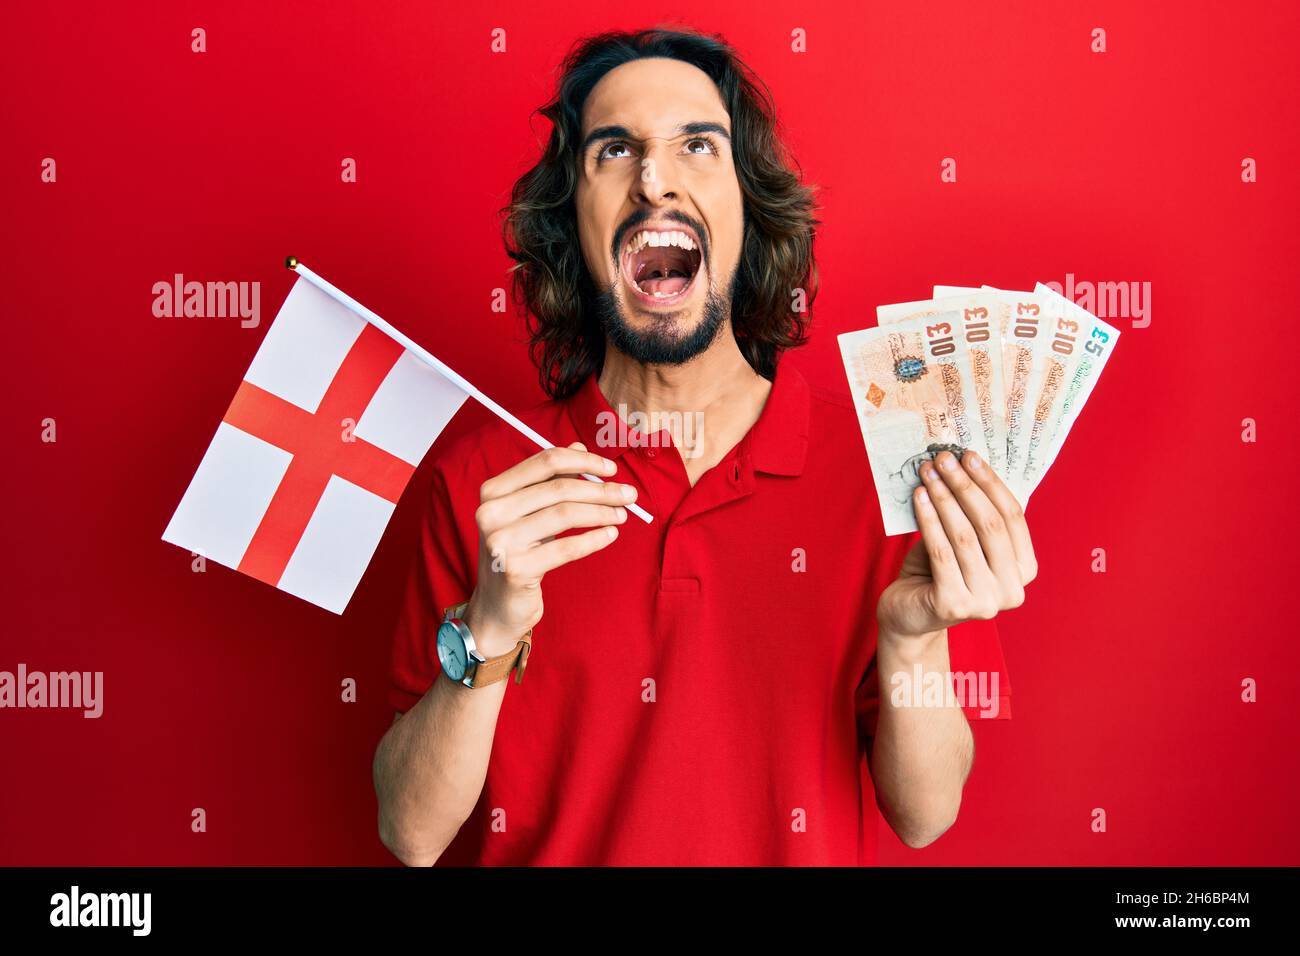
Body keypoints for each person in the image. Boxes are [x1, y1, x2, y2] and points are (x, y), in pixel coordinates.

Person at [372, 27, 1036, 866]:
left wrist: (912, 640)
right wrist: (490, 629)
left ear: (748, 210)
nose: (654, 180)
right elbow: (410, 831)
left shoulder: (891, 466)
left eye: (697, 145)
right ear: (570, 226)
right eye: (614, 150)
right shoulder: (486, 483)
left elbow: (927, 814)